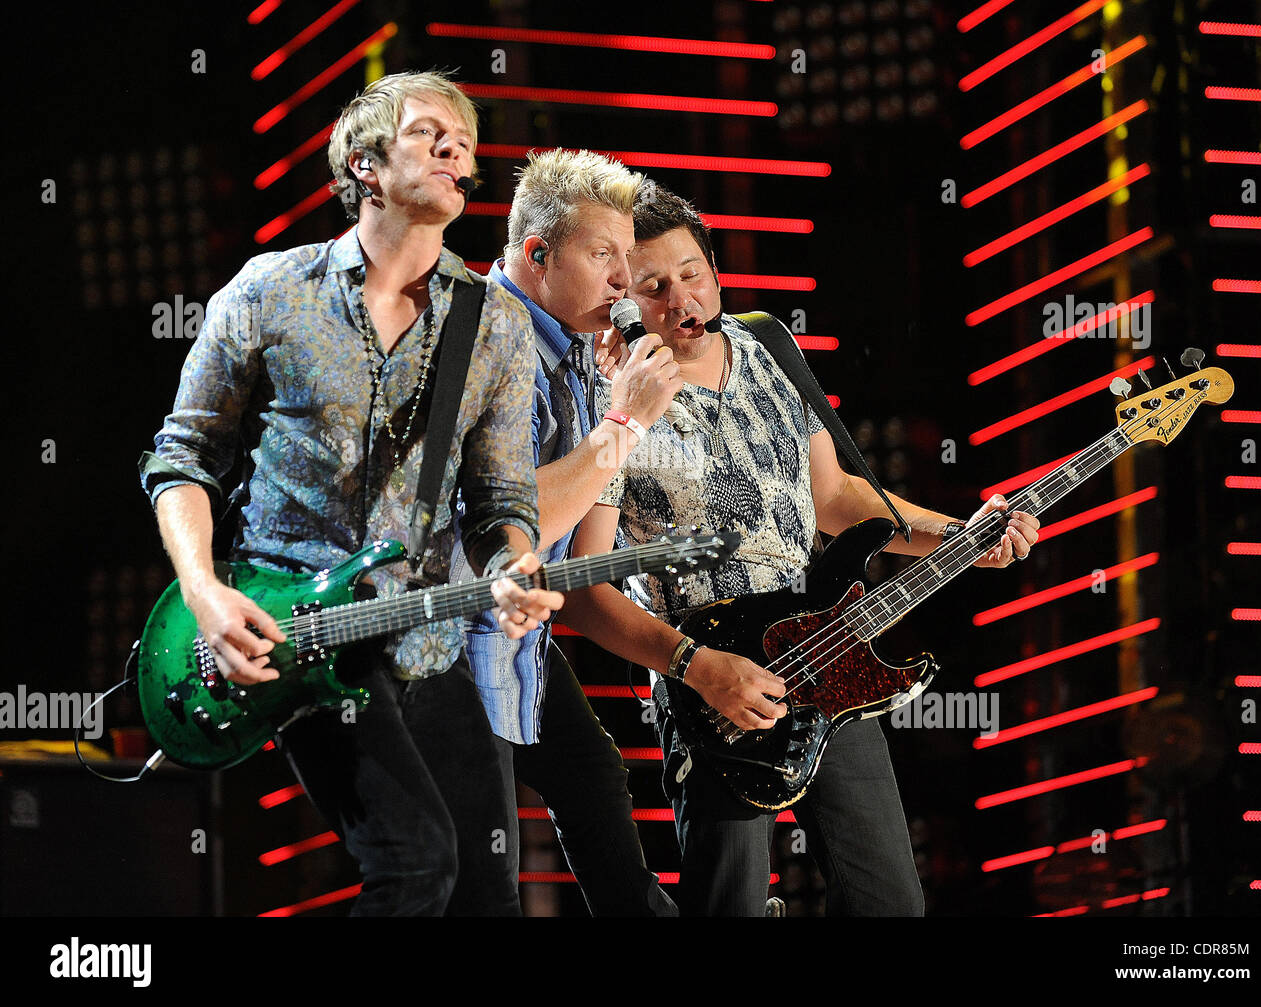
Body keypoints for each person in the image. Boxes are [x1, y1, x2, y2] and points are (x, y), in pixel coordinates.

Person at [139, 71, 563, 917]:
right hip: (291, 631)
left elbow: (500, 500)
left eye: (464, 141)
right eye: (428, 133)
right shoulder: (270, 291)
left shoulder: (494, 323)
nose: (455, 148)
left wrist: (513, 565)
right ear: (366, 165)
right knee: (415, 864)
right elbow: (182, 458)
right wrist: (205, 592)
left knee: (487, 897)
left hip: (425, 639)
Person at [564, 181, 1042, 916]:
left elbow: (838, 497)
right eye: (653, 287)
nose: (682, 298)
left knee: (890, 903)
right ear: (624, 299)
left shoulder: (767, 347)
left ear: (715, 269)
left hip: (826, 651)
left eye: (692, 273)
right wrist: (697, 668)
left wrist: (964, 537)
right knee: (730, 902)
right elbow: (583, 585)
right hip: (715, 685)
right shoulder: (610, 395)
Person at [451, 148, 685, 915]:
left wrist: (617, 407)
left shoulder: (575, 351)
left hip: (519, 640)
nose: (624, 280)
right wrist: (626, 422)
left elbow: (586, 553)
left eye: (628, 257)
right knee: (485, 877)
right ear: (538, 255)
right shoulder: (486, 339)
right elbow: (508, 523)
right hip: (450, 640)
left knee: (594, 779)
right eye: (602, 255)